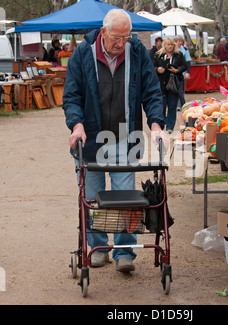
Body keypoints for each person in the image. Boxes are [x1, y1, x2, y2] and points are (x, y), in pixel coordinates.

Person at [62, 9, 167, 273]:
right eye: (116, 38)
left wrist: (156, 125)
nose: (121, 43)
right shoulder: (82, 54)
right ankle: (97, 247)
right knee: (93, 196)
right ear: (103, 33)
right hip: (91, 140)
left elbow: (152, 91)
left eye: (126, 37)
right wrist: (76, 125)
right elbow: (71, 96)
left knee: (125, 198)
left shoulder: (136, 52)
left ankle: (124, 251)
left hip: (125, 138)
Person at [153, 37, 187, 133]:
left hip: (173, 84)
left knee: (172, 106)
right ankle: (162, 123)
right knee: (162, 106)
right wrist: (157, 69)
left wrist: (177, 70)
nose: (170, 46)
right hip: (161, 84)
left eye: (172, 44)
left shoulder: (178, 55)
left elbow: (184, 66)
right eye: (168, 44)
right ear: (164, 45)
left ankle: (170, 126)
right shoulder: (158, 55)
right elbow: (151, 66)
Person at [174, 35, 191, 109]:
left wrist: (188, 72)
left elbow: (188, 61)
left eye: (181, 41)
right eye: (178, 41)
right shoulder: (173, 50)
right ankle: (179, 104)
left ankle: (181, 104)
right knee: (177, 89)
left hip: (183, 72)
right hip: (174, 72)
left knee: (181, 89)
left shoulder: (185, 50)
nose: (180, 42)